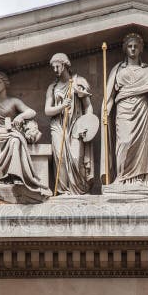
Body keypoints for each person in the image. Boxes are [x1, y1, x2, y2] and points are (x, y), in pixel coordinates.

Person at [101, 32, 148, 187]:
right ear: (125, 48)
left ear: (140, 49)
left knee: (141, 148)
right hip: (123, 109)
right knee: (124, 143)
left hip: (142, 110)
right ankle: (121, 178)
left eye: (136, 46)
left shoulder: (146, 70)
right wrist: (106, 111)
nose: (132, 49)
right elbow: (109, 95)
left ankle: (140, 179)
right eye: (130, 46)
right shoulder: (118, 70)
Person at [0, 71, 49, 196]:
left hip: (10, 132)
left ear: (5, 83)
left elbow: (32, 112)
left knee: (15, 141)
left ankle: (15, 175)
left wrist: (20, 116)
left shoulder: (13, 101)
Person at [44, 53, 96, 195]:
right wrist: (62, 106)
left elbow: (88, 106)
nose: (55, 70)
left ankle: (78, 191)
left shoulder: (79, 82)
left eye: (57, 66)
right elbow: (47, 111)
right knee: (59, 157)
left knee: (75, 157)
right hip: (58, 126)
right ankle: (63, 191)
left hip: (76, 125)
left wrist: (87, 124)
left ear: (65, 65)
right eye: (53, 67)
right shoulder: (52, 87)